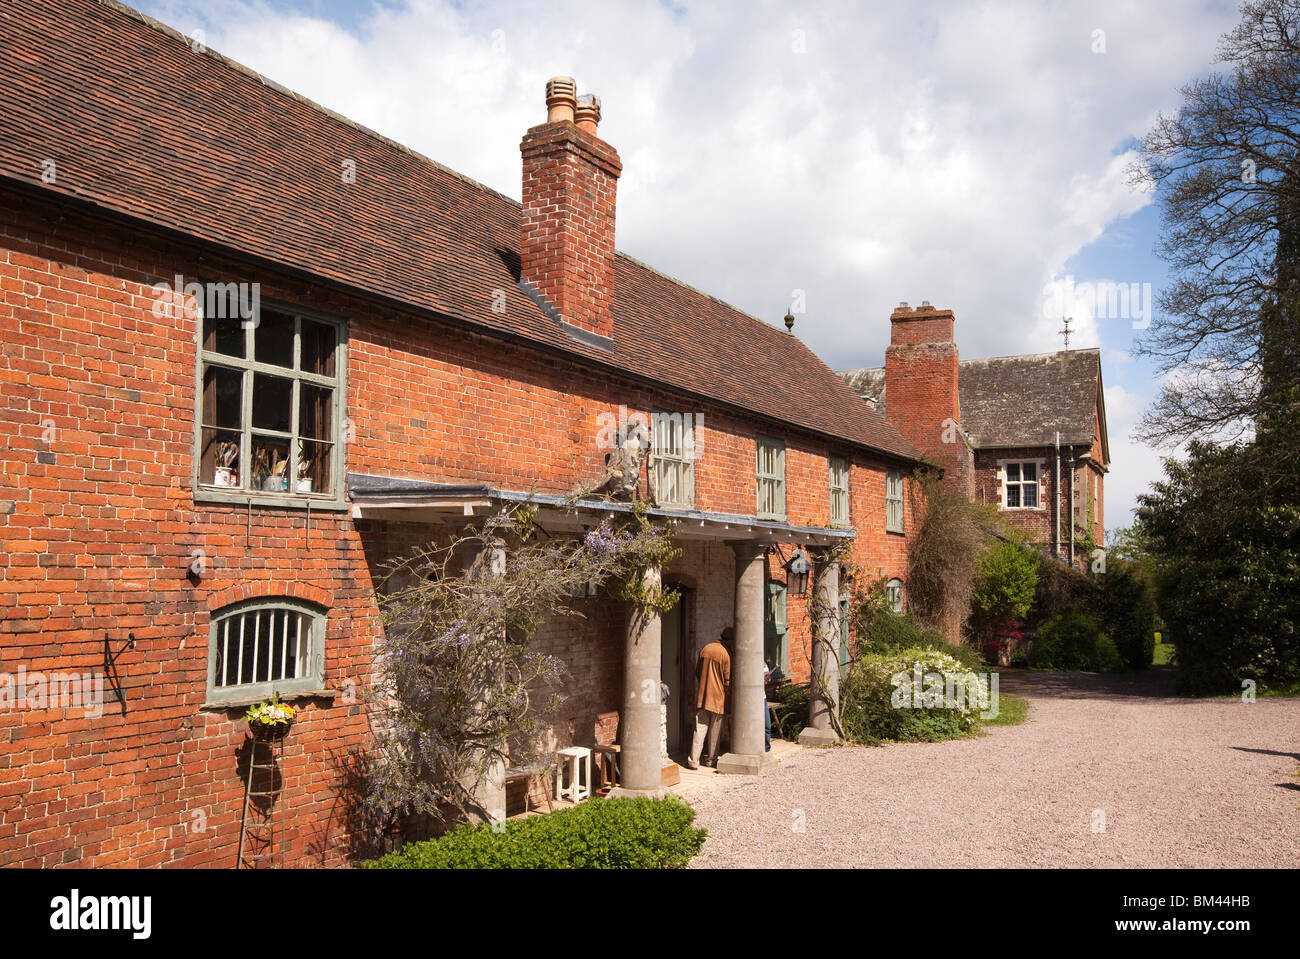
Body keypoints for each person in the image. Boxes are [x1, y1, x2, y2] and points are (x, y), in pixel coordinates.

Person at [687, 627, 732, 769]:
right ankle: (710, 760)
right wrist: (730, 697)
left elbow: (698, 672)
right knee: (715, 733)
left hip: (702, 698)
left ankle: (693, 761)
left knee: (699, 730)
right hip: (718, 700)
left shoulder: (706, 649)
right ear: (729, 640)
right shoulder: (726, 654)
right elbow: (728, 680)